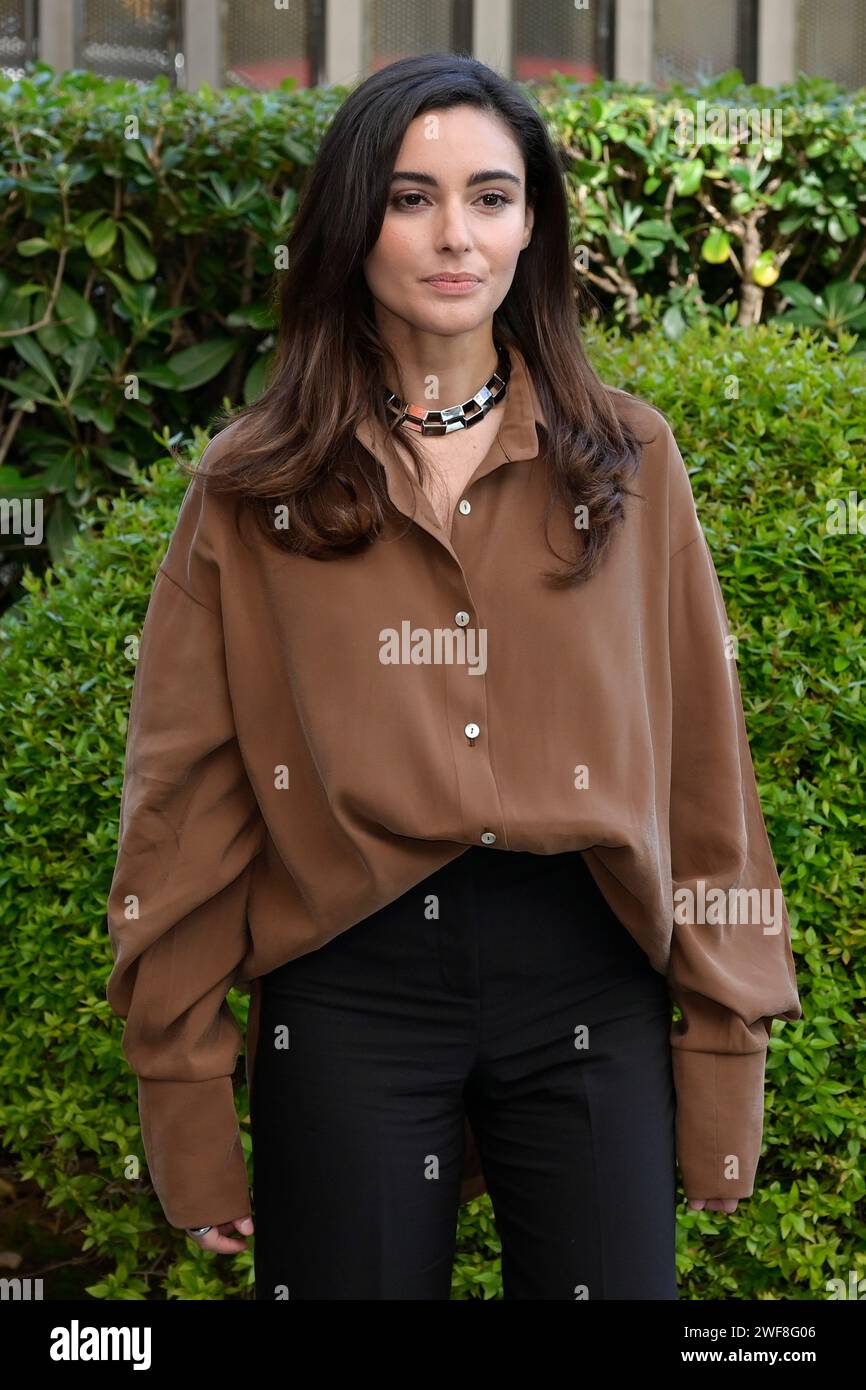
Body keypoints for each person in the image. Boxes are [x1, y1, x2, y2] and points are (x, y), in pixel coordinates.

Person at [105, 53, 802, 1300]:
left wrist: (721, 1054)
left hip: (586, 970)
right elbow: (186, 799)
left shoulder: (628, 458)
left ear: (532, 224)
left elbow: (703, 770)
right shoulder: (249, 484)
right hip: (348, 991)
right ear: (349, 223)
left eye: (489, 196)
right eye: (409, 196)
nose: (454, 236)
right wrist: (186, 1107)